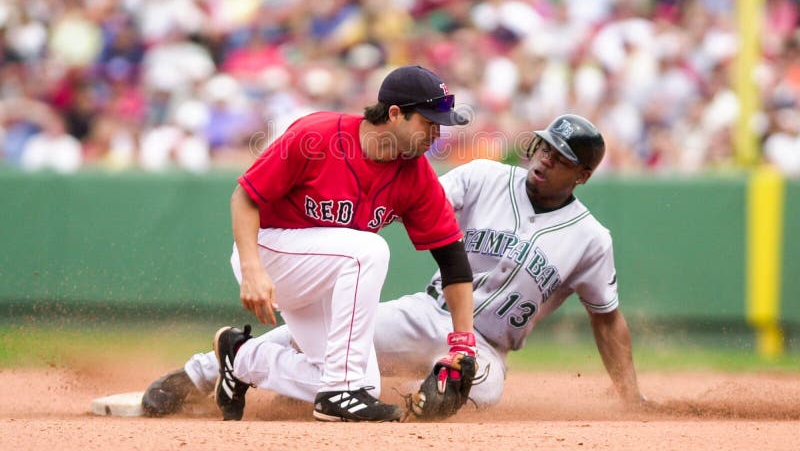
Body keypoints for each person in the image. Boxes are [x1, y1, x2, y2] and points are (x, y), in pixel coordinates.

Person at [143, 113, 645, 416]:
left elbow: (608, 320)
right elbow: (416, 205)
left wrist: (630, 397)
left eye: (560, 157)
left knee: (477, 394)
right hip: (425, 313)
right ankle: (206, 371)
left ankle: (405, 405)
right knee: (331, 337)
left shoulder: (591, 240)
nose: (544, 158)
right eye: (542, 146)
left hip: (488, 347)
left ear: (582, 175)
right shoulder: (486, 178)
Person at [152, 65, 477, 423]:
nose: (437, 132)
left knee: (364, 384)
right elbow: (245, 197)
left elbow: (452, 258)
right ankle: (339, 392)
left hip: (324, 273)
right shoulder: (318, 136)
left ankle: (242, 357)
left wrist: (464, 341)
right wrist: (251, 269)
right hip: (269, 251)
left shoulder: (416, 175)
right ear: (395, 114)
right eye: (429, 122)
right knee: (368, 251)